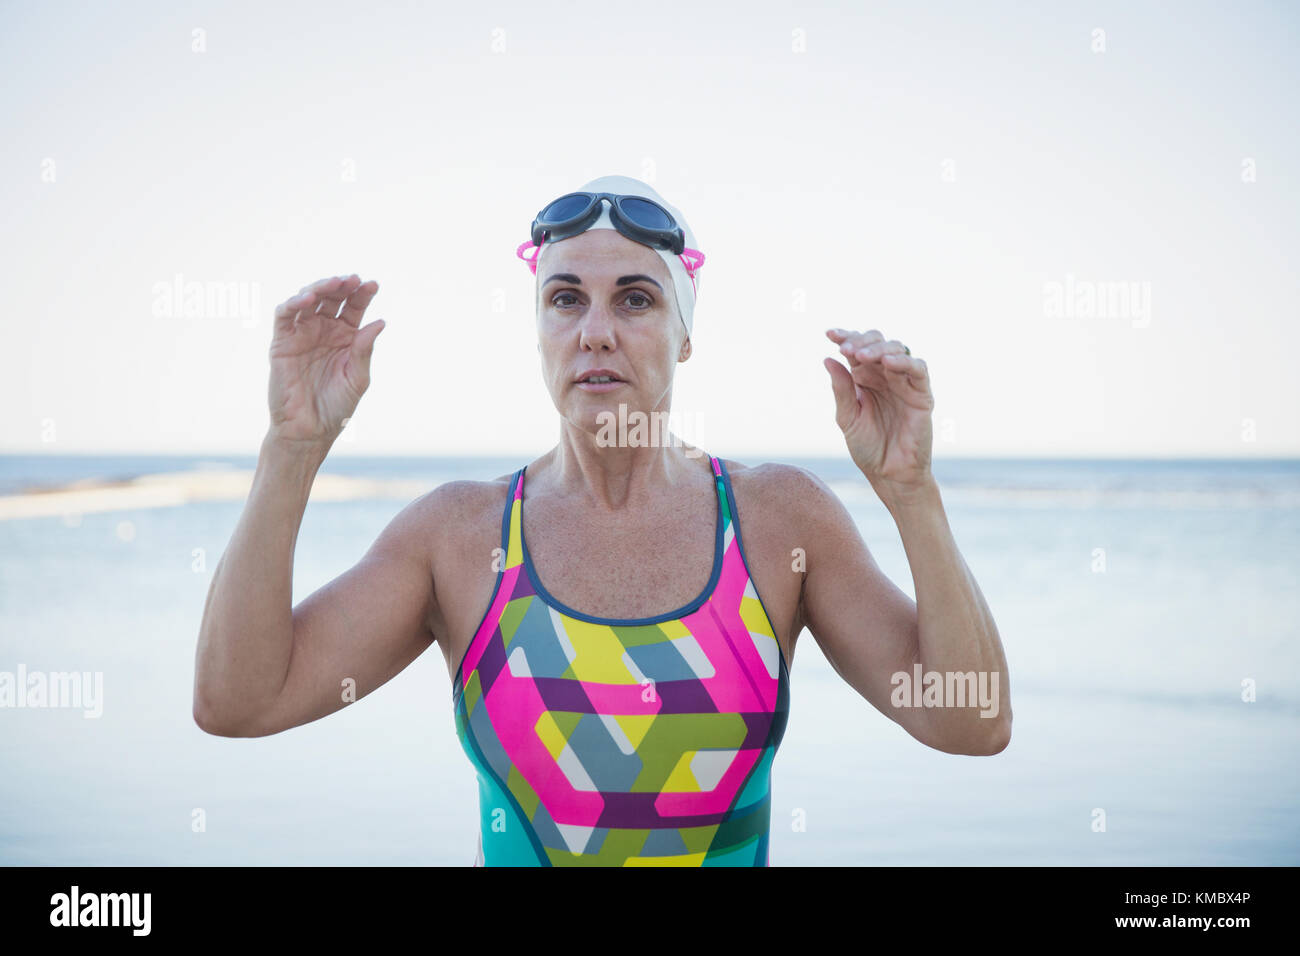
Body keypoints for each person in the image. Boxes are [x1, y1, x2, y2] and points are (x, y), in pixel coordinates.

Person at [193, 175, 1012, 867]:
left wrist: (912, 490)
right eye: (564, 299)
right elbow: (240, 702)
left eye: (635, 299)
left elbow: (970, 723)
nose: (594, 332)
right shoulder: (458, 537)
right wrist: (292, 448)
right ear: (539, 329)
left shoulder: (777, 522)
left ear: (684, 333)